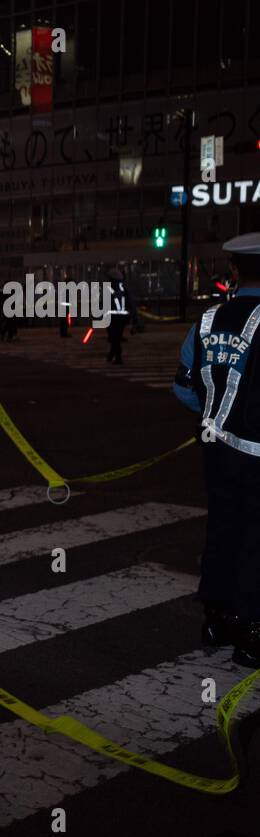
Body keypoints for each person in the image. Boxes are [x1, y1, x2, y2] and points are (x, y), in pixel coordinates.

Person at [171, 232, 260, 668]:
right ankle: (251, 630)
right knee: (256, 536)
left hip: (216, 446)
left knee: (223, 526)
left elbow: (182, 386)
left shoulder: (206, 322)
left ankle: (215, 618)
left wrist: (212, 415)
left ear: (234, 272)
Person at [106, 268, 130, 364]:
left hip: (112, 318)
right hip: (122, 317)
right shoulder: (124, 289)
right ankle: (112, 354)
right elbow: (130, 302)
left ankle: (117, 356)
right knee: (116, 337)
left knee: (114, 338)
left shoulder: (108, 290)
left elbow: (103, 304)